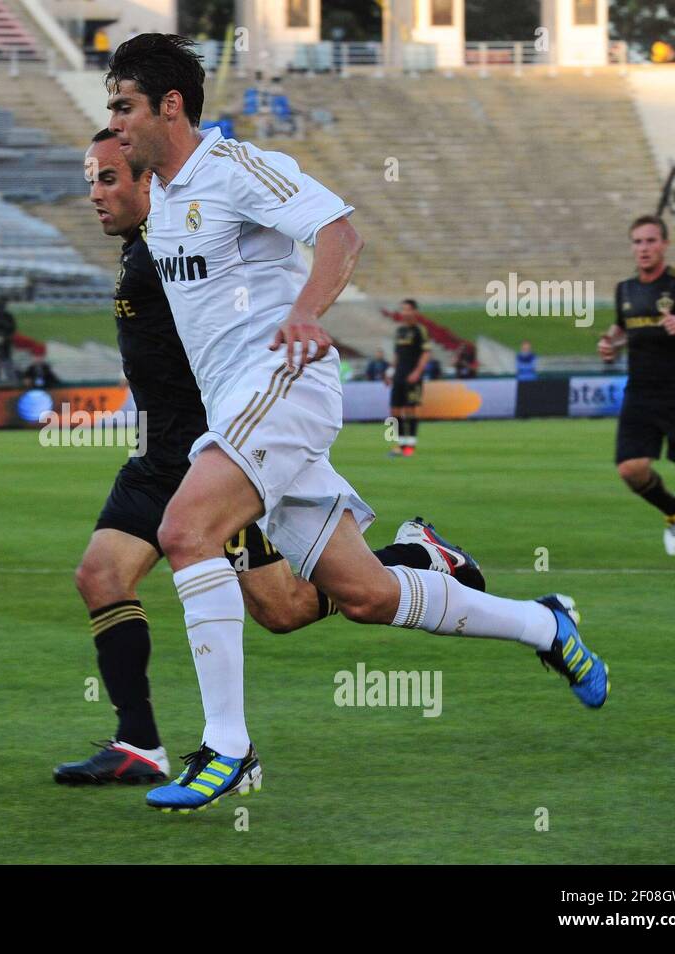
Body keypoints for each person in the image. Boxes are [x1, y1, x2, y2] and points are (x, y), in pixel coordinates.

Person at [105, 34, 607, 812]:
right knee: (364, 594)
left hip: (284, 388)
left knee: (184, 533)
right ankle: (543, 627)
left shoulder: (233, 168)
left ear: (170, 106)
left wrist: (306, 313)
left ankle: (227, 748)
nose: (116, 121)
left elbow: (341, 231)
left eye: (124, 105)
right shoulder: (163, 202)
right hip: (243, 410)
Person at [54, 128, 486, 785]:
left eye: (109, 178)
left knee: (281, 609)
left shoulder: (189, 245)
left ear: (150, 178)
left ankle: (419, 557)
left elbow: (258, 296)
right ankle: (140, 745)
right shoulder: (144, 251)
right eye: (90, 179)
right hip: (156, 456)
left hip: (218, 455)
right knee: (100, 576)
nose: (95, 193)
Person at [597, 214, 675, 573]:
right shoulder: (625, 289)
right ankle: (673, 509)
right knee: (630, 470)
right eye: (637, 242)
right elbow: (621, 330)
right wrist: (610, 345)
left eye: (651, 241)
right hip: (640, 394)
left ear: (664, 244)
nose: (644, 248)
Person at [386, 299, 429, 457]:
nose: (404, 313)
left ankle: (410, 445)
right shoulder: (400, 331)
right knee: (394, 410)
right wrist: (390, 371)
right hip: (399, 375)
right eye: (402, 309)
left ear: (414, 312)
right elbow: (397, 354)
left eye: (407, 309)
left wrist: (417, 372)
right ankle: (400, 444)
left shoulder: (420, 330)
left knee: (410, 409)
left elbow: (426, 352)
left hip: (412, 376)